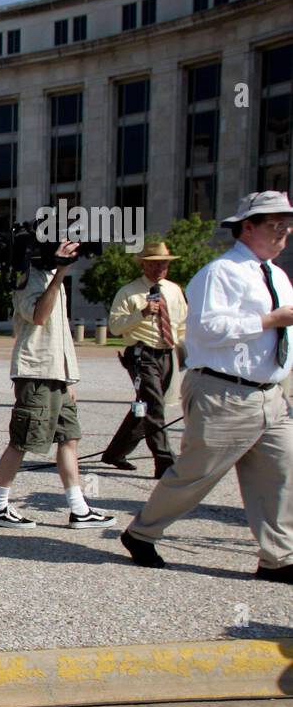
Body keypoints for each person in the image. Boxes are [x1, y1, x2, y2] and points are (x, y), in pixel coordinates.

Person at [121, 191, 293, 580]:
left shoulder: (278, 276)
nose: (285, 231)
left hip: (271, 394)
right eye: (275, 224)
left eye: (287, 223)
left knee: (280, 475)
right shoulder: (221, 273)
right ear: (247, 228)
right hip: (224, 392)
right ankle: (142, 532)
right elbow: (208, 329)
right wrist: (270, 320)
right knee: (197, 474)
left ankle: (278, 559)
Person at [0, 240, 115, 530]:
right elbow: (39, 316)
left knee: (69, 438)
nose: (71, 250)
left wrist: (69, 375)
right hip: (36, 371)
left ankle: (79, 509)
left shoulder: (50, 276)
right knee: (22, 441)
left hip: (57, 373)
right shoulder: (27, 277)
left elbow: (60, 331)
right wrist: (59, 274)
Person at [103, 240, 188, 478]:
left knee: (146, 406)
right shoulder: (129, 292)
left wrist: (182, 349)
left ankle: (115, 452)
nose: (160, 267)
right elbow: (116, 326)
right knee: (154, 406)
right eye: (155, 263)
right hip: (142, 354)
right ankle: (164, 462)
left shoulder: (174, 290)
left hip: (167, 351)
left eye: (164, 263)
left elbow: (182, 322)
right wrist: (141, 314)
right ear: (143, 265)